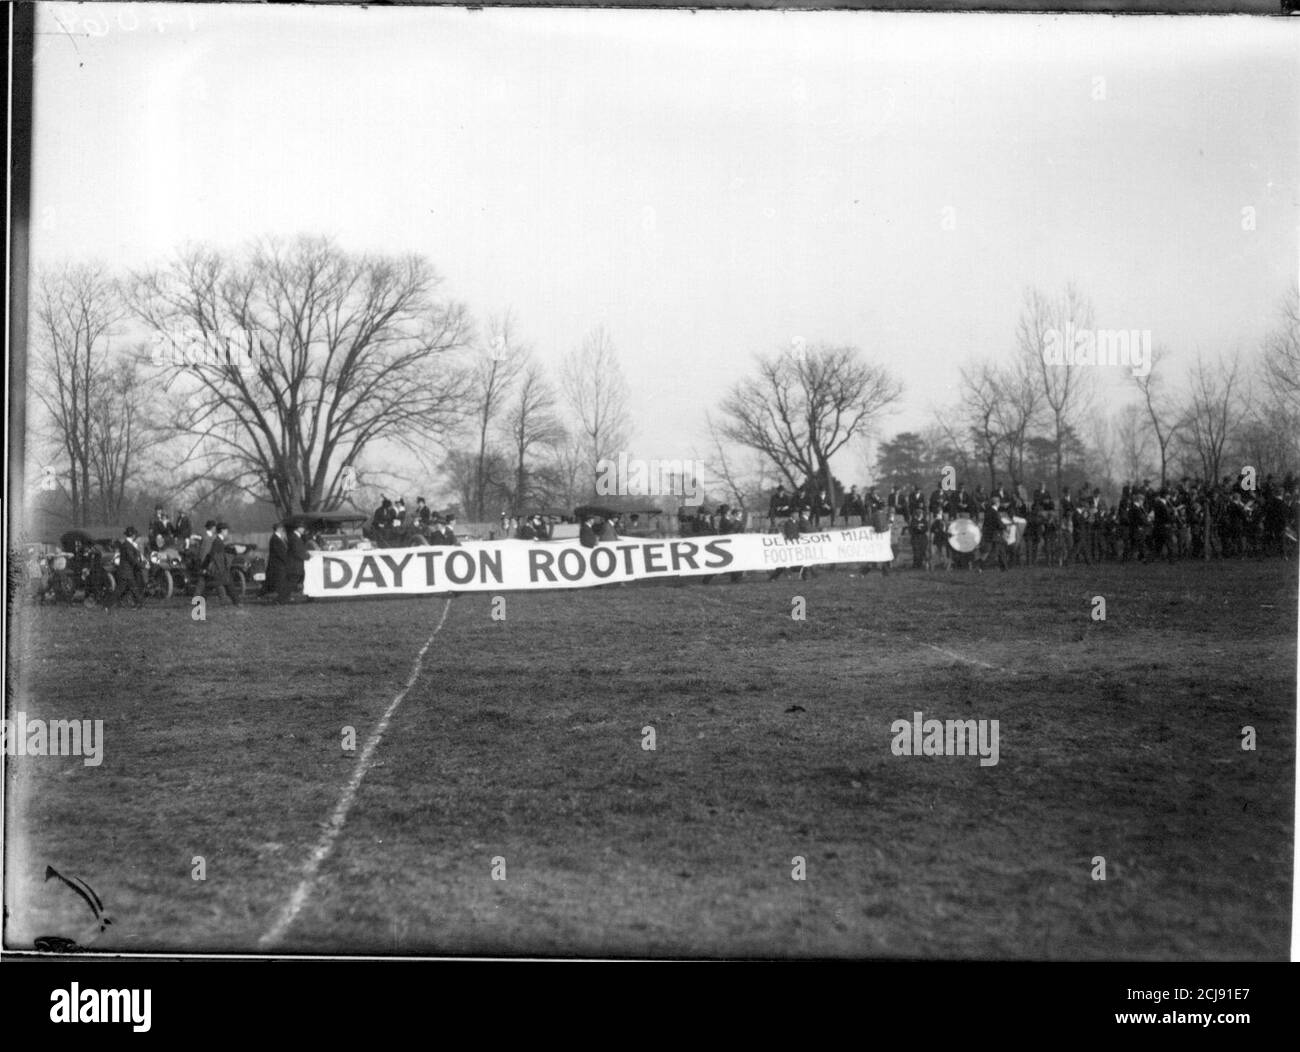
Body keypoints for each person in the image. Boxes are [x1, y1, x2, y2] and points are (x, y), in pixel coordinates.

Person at [106, 526, 145, 609]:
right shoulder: (127, 545)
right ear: (133, 536)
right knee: (122, 590)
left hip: (126, 571)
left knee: (131, 589)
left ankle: (108, 605)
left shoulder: (126, 544)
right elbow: (131, 558)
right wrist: (141, 565)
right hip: (126, 571)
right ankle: (108, 605)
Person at [202, 523, 241, 605]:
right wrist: (205, 567)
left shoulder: (219, 541)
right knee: (213, 585)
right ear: (222, 531)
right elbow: (213, 555)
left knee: (223, 585)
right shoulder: (218, 541)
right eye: (226, 530)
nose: (227, 532)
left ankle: (236, 602)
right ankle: (237, 602)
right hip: (219, 569)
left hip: (220, 569)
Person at [261, 521, 291, 603]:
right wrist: (287, 560)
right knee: (279, 580)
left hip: (278, 563)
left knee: (274, 581)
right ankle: (281, 597)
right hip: (277, 564)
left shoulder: (279, 538)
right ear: (278, 529)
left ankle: (265, 594)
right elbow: (280, 552)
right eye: (282, 529)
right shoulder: (275, 539)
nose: (283, 530)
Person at [977, 498, 1009, 572]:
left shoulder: (988, 511)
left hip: (990, 534)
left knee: (1002, 551)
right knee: (994, 554)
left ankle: (1005, 568)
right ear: (997, 503)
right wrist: (1005, 526)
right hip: (995, 534)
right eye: (999, 502)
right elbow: (998, 523)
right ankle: (982, 567)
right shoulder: (995, 512)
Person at [287, 522, 310, 598]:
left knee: (293, 580)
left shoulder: (296, 537)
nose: (304, 530)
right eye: (302, 528)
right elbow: (297, 551)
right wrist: (307, 557)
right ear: (298, 528)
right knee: (292, 581)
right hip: (295, 563)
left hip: (296, 563)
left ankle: (285, 596)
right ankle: (283, 597)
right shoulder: (294, 537)